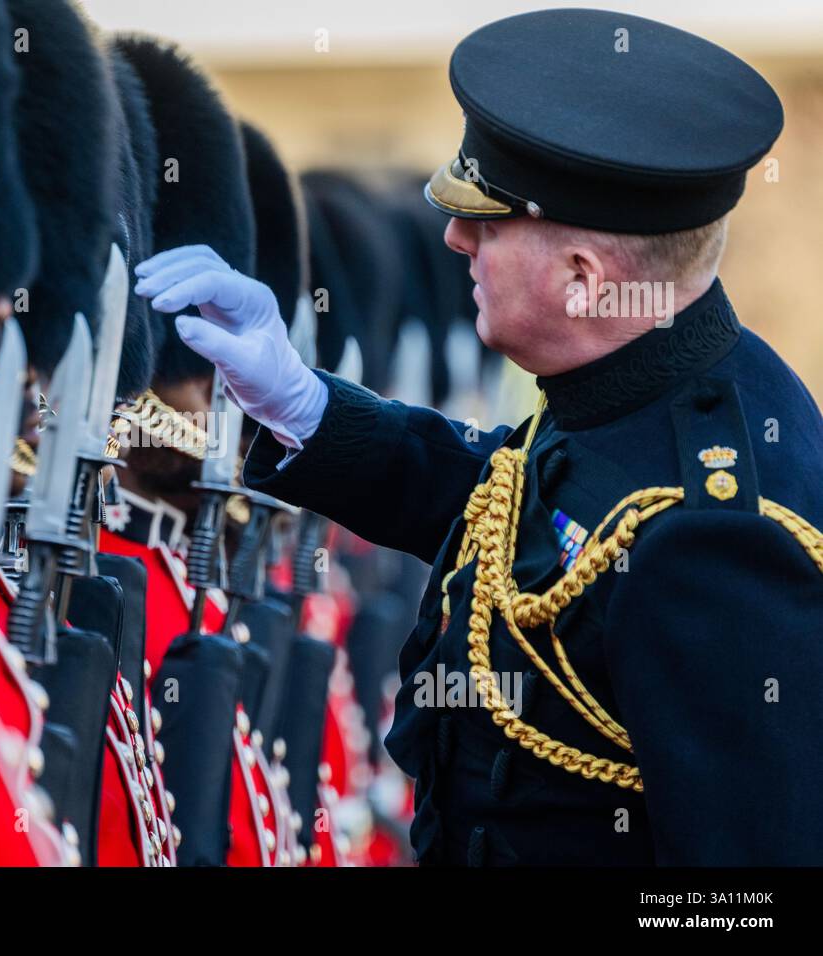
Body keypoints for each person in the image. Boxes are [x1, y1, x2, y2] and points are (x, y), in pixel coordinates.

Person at [135, 8, 823, 865]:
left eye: (487, 223)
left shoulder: (713, 529)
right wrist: (302, 404)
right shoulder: (634, 382)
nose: (456, 237)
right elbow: (515, 506)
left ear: (584, 279)